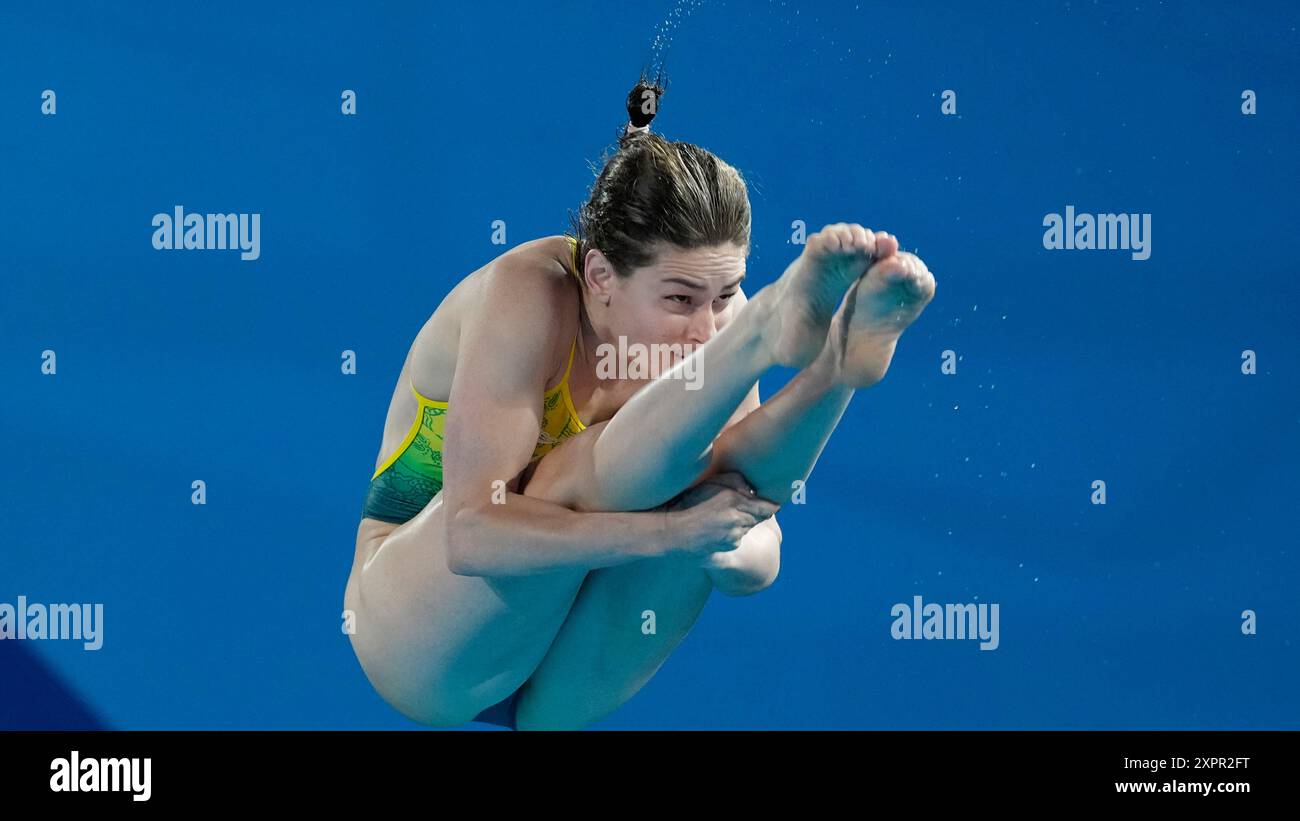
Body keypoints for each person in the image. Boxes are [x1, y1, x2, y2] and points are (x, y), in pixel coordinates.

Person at [343, 79, 936, 730]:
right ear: (600, 276)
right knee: (578, 475)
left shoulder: (708, 325)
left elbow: (762, 550)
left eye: (729, 295)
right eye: (680, 299)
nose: (705, 328)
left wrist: (724, 544)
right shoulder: (531, 293)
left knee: (708, 488)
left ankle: (837, 373)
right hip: (425, 641)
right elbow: (472, 536)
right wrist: (666, 534)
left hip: (570, 680)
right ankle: (772, 334)